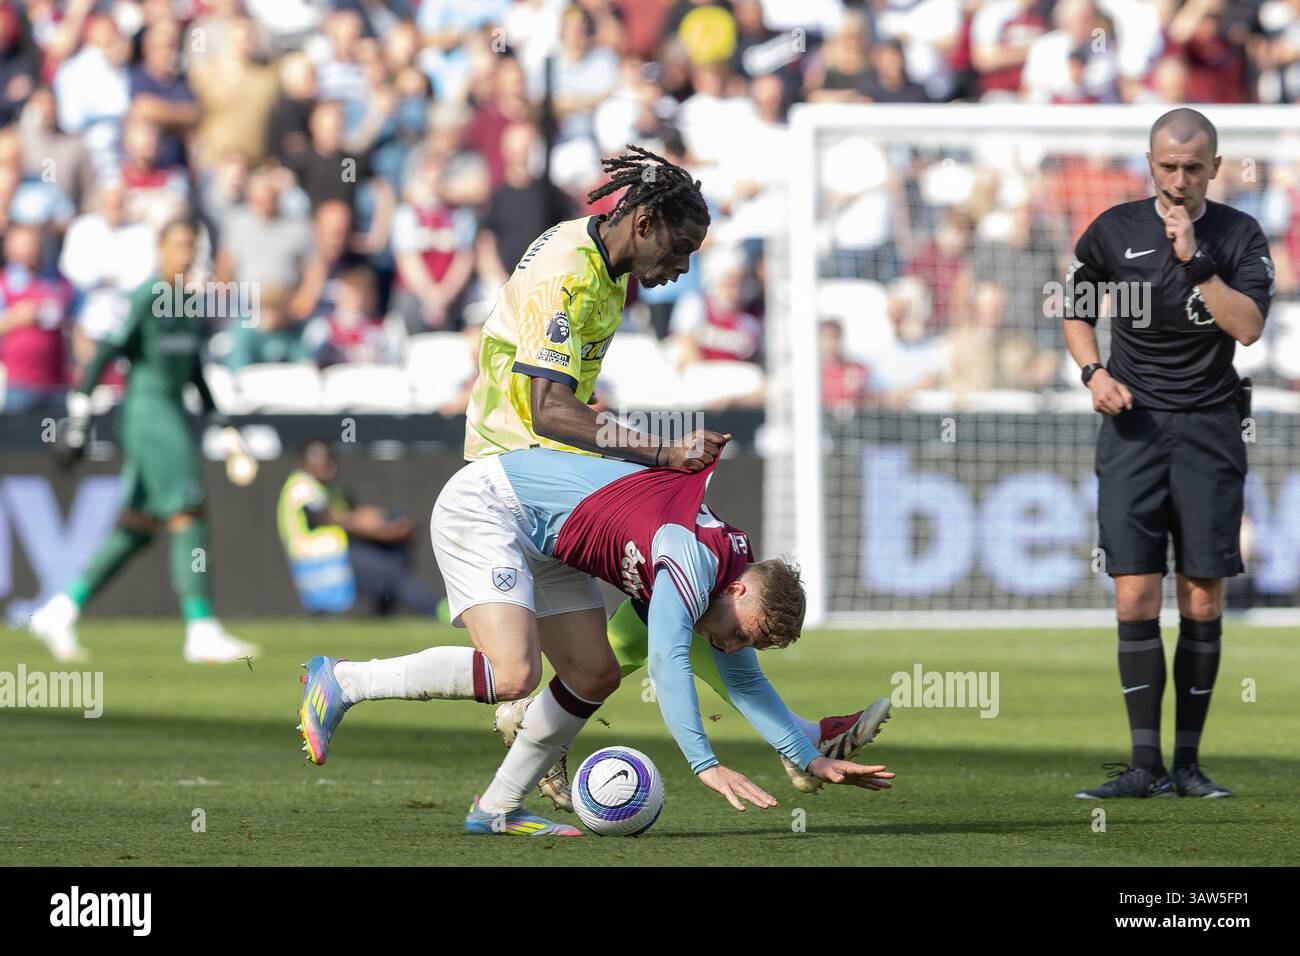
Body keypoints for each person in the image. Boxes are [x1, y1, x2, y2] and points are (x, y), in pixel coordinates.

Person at [465, 144, 886, 809]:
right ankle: (363, 686)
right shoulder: (568, 273)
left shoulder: (602, 267)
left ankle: (799, 741)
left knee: (671, 603)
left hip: (547, 457)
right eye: (680, 248)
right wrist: (660, 453)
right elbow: (549, 409)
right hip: (520, 464)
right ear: (643, 223)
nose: (683, 267)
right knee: (646, 614)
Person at [298, 447, 896, 836]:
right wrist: (705, 764)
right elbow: (665, 662)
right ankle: (343, 681)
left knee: (594, 674)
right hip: (491, 506)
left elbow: (742, 680)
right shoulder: (691, 562)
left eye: (749, 643)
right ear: (737, 590)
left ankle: (498, 808)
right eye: (742, 633)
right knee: (515, 674)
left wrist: (808, 755)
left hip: (552, 543)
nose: (735, 647)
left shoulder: (732, 574)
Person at [1063, 109, 1273, 800]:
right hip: (1134, 430)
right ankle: (1143, 766)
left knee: (1203, 597)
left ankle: (1189, 765)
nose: (1179, 181)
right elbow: (1074, 308)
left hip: (1211, 428)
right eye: (1167, 166)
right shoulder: (1113, 230)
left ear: (1215, 168)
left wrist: (1195, 261)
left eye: (1192, 168)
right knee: (1134, 592)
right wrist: (1093, 373)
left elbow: (1248, 328)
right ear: (1150, 162)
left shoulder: (1238, 235)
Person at [28, 218, 258, 665]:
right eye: (179, 244)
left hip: (172, 412)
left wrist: (222, 423)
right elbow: (105, 353)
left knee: (139, 527)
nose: (186, 254)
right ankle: (201, 629)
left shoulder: (189, 304)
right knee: (189, 510)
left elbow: (195, 373)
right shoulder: (146, 297)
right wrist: (79, 415)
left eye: (192, 246)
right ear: (160, 248)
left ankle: (60, 609)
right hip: (148, 415)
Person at [277, 438, 445, 617]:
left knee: (394, 547)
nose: (328, 464)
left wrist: (393, 522)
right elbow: (334, 519)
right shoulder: (301, 487)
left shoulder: (332, 489)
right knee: (391, 574)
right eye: (320, 459)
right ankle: (440, 609)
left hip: (341, 554)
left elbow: (358, 513)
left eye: (330, 458)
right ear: (304, 463)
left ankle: (382, 613)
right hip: (321, 561)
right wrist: (385, 531)